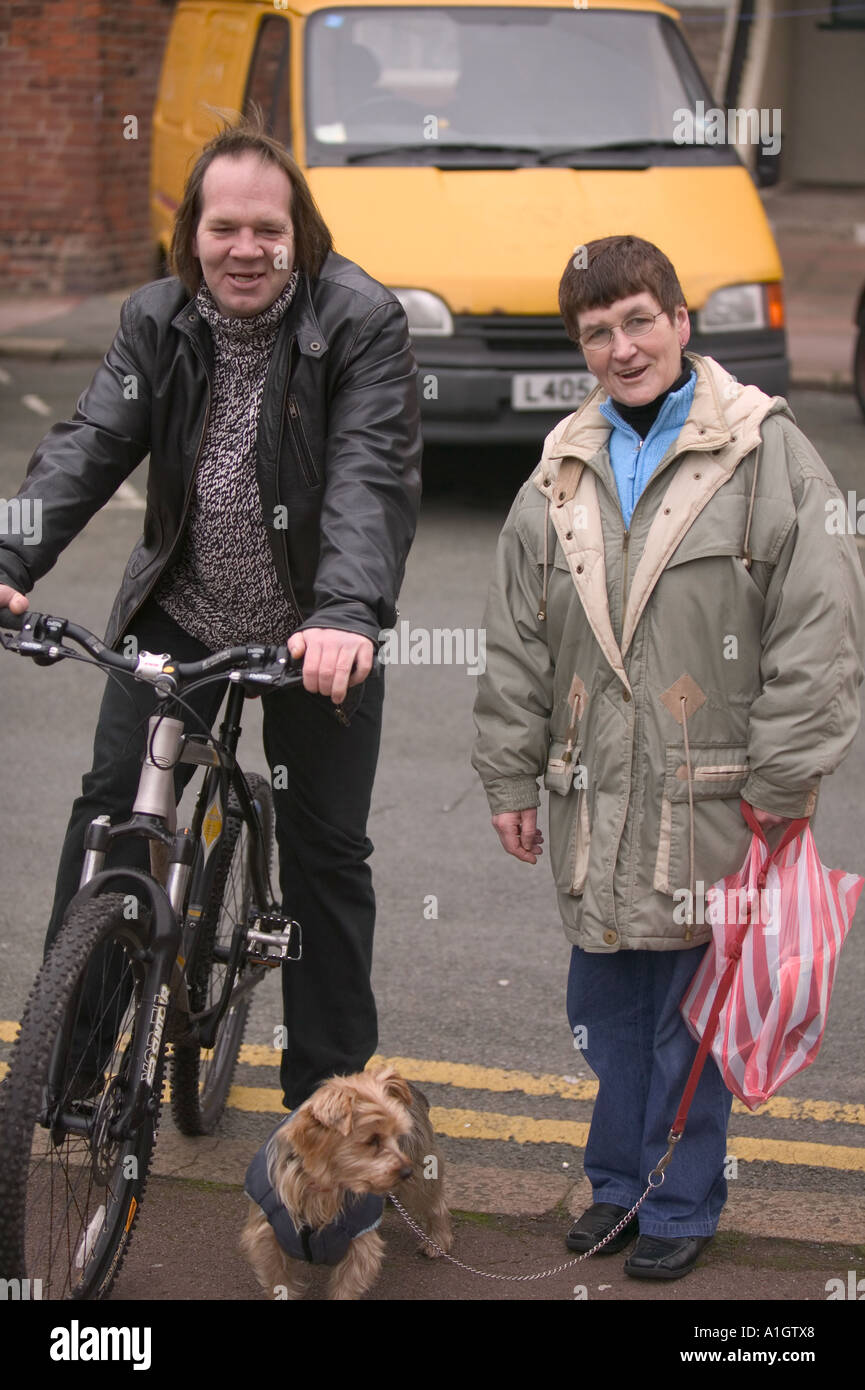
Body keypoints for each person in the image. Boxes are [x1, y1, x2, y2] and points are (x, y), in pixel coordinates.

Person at [0, 116, 422, 1110]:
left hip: (315, 634)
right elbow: (87, 446)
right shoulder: (158, 319)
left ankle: (326, 1107)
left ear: (299, 233)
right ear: (191, 232)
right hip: (179, 612)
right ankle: (63, 1068)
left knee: (324, 856)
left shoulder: (359, 321)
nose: (245, 249)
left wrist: (347, 613)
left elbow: (370, 475)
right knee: (113, 818)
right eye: (223, 228)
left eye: (265, 229)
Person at [471, 235, 865, 1280]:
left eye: (639, 320)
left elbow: (819, 627)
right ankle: (612, 1190)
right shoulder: (561, 467)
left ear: (681, 323)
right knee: (605, 1015)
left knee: (691, 1020)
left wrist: (783, 784)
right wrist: (511, 775)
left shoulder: (763, 451)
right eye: (597, 332)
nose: (622, 345)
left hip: (719, 796)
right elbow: (517, 637)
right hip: (594, 797)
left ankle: (678, 1203)